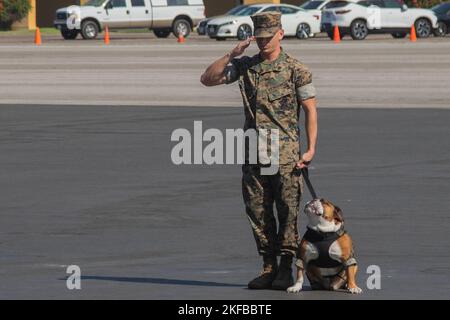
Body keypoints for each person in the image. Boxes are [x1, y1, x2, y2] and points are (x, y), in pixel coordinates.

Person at [200, 11, 318, 290]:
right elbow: (208, 79)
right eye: (260, 38)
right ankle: (268, 267)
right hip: (254, 154)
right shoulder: (246, 67)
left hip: (286, 154)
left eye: (269, 37)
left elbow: (310, 110)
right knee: (258, 212)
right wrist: (231, 53)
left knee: (288, 211)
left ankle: (286, 268)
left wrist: (311, 149)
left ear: (280, 33)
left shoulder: (296, 69)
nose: (264, 43)